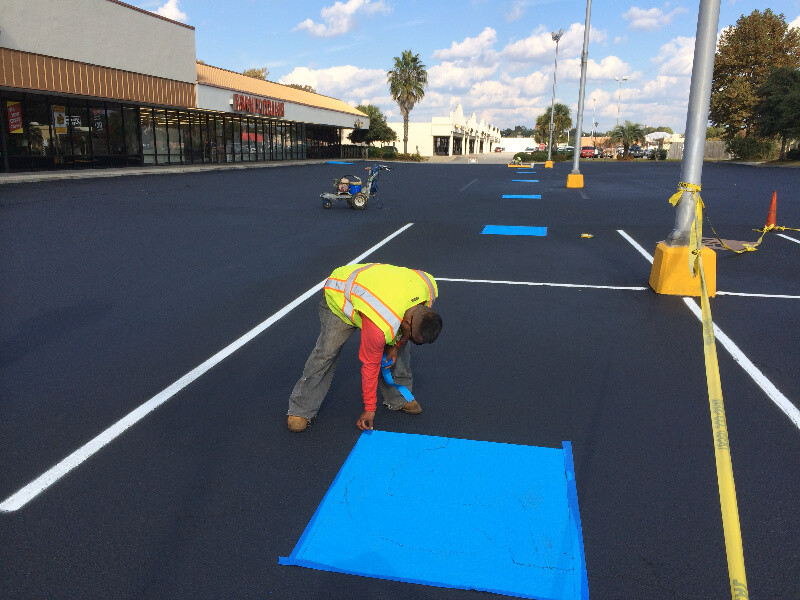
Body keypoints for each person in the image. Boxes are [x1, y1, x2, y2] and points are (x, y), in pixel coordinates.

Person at [287, 263, 442, 433]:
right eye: (414, 338)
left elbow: (402, 331)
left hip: (376, 298)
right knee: (326, 353)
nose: (412, 341)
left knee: (400, 350)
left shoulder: (427, 290)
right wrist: (369, 409)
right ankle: (301, 409)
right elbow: (370, 365)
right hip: (342, 297)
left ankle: (398, 398)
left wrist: (395, 346)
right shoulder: (381, 323)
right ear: (406, 322)